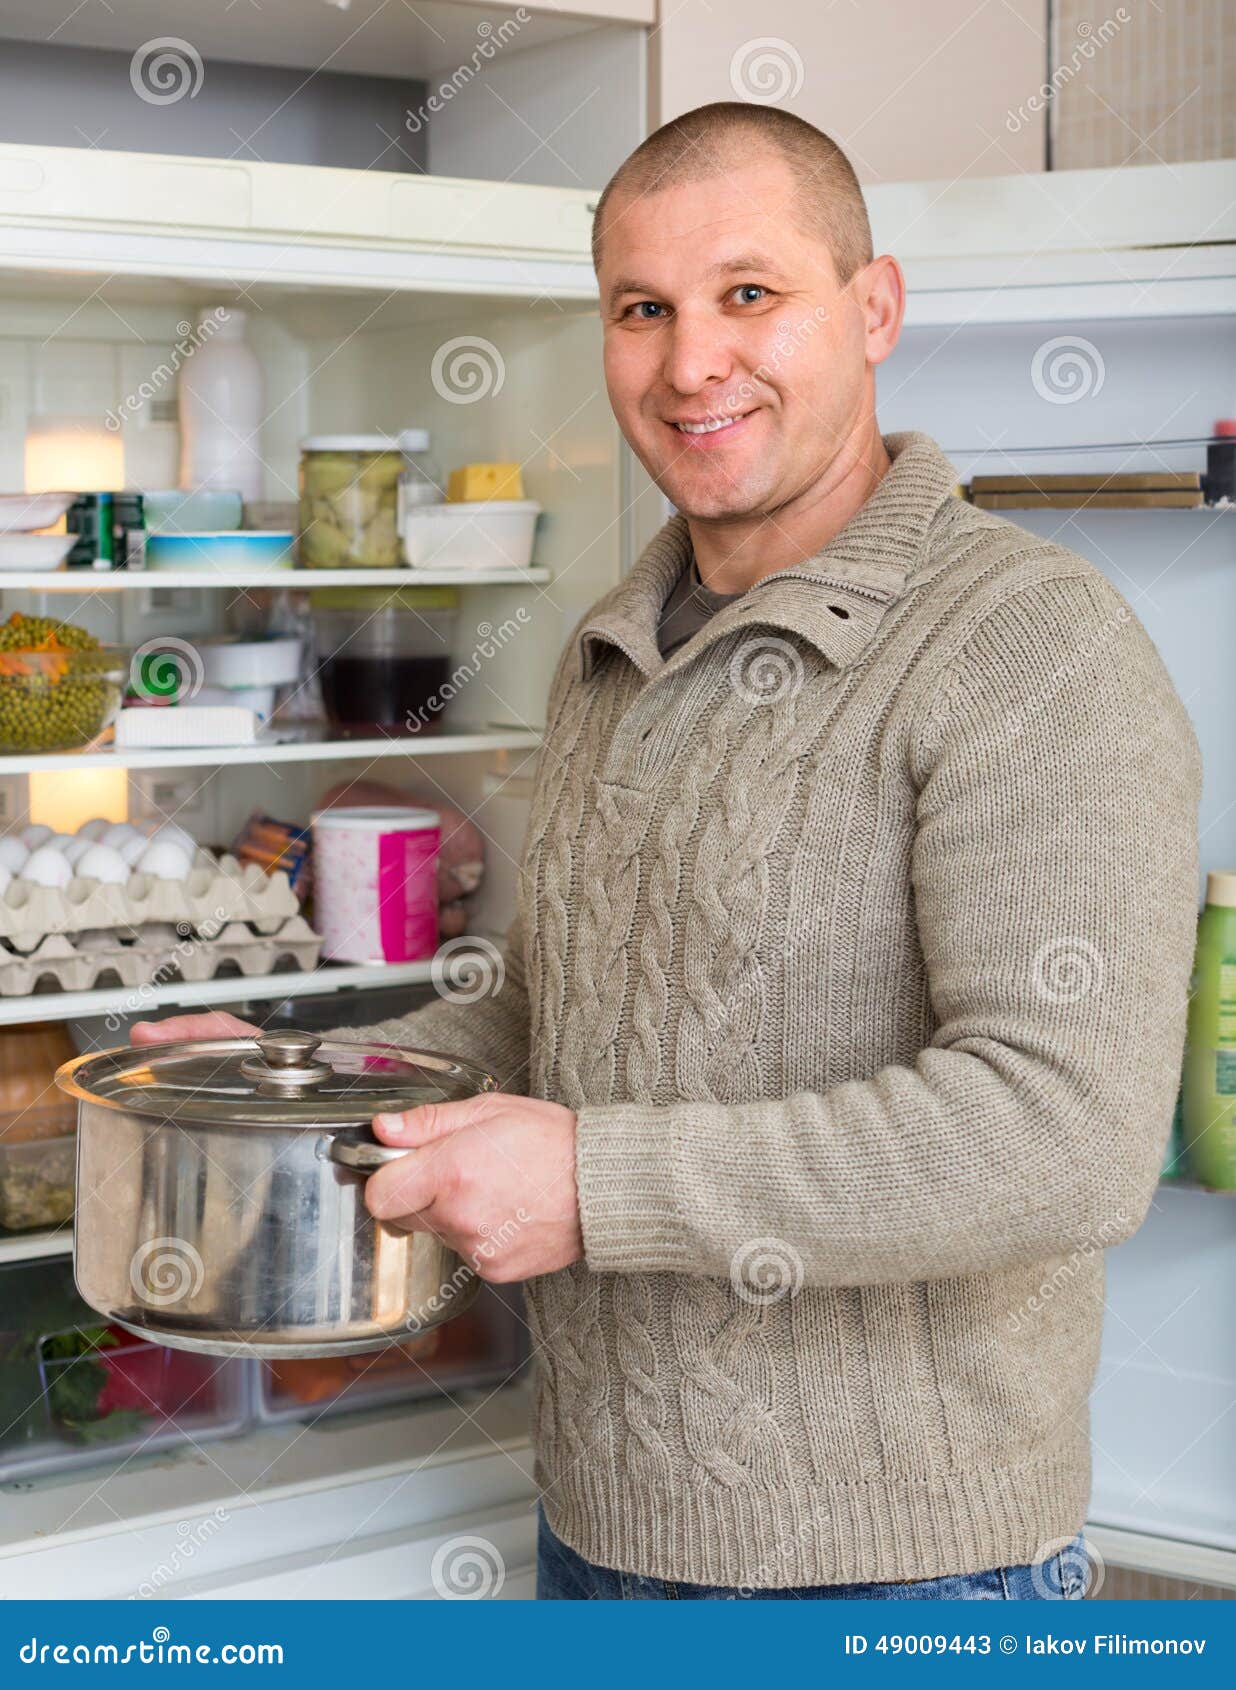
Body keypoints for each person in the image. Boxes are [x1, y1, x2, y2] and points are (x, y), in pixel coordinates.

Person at [134, 103, 1200, 1600]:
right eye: (644, 309)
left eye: (748, 294)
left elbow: (1062, 1137)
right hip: (601, 1530)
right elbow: (551, 1015)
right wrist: (301, 1070)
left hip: (903, 1577)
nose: (691, 362)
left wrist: (594, 1186)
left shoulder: (1029, 647)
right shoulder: (613, 645)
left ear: (874, 306)